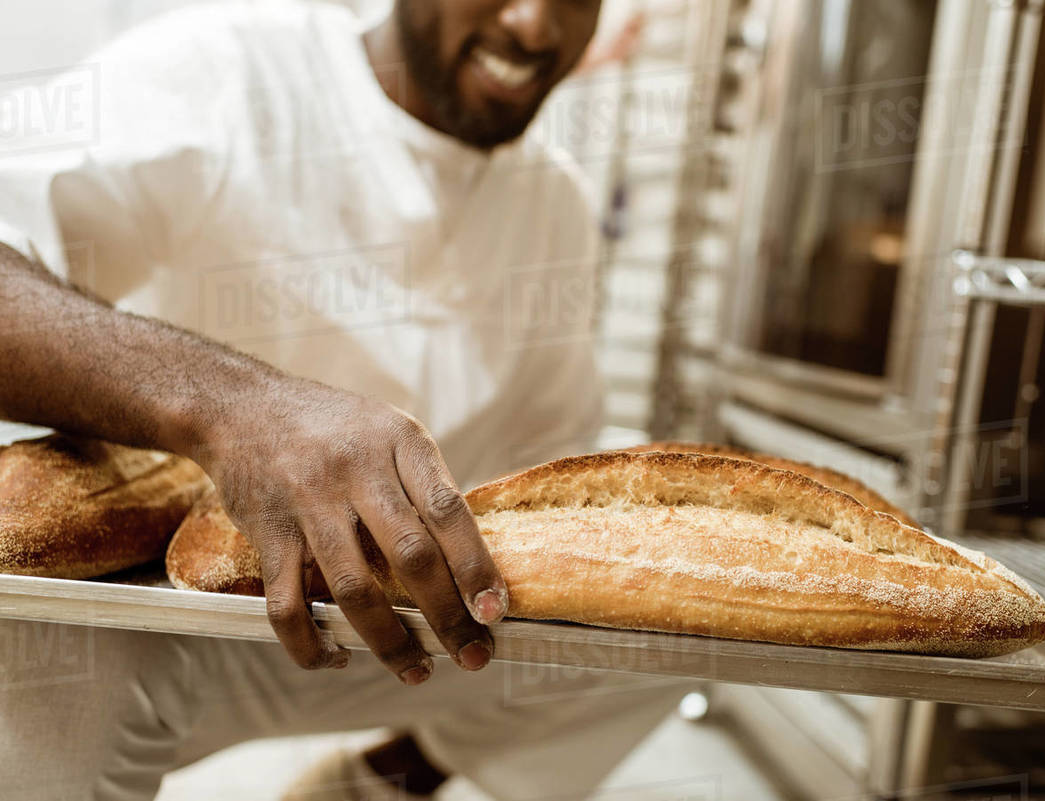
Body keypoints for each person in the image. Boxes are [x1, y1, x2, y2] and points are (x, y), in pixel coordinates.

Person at [0, 1, 683, 799]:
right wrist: (238, 411)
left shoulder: (553, 209)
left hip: (382, 627)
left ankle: (373, 785)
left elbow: (549, 470)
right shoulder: (230, 69)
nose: (534, 27)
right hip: (166, 612)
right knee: (42, 676)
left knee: (663, 633)